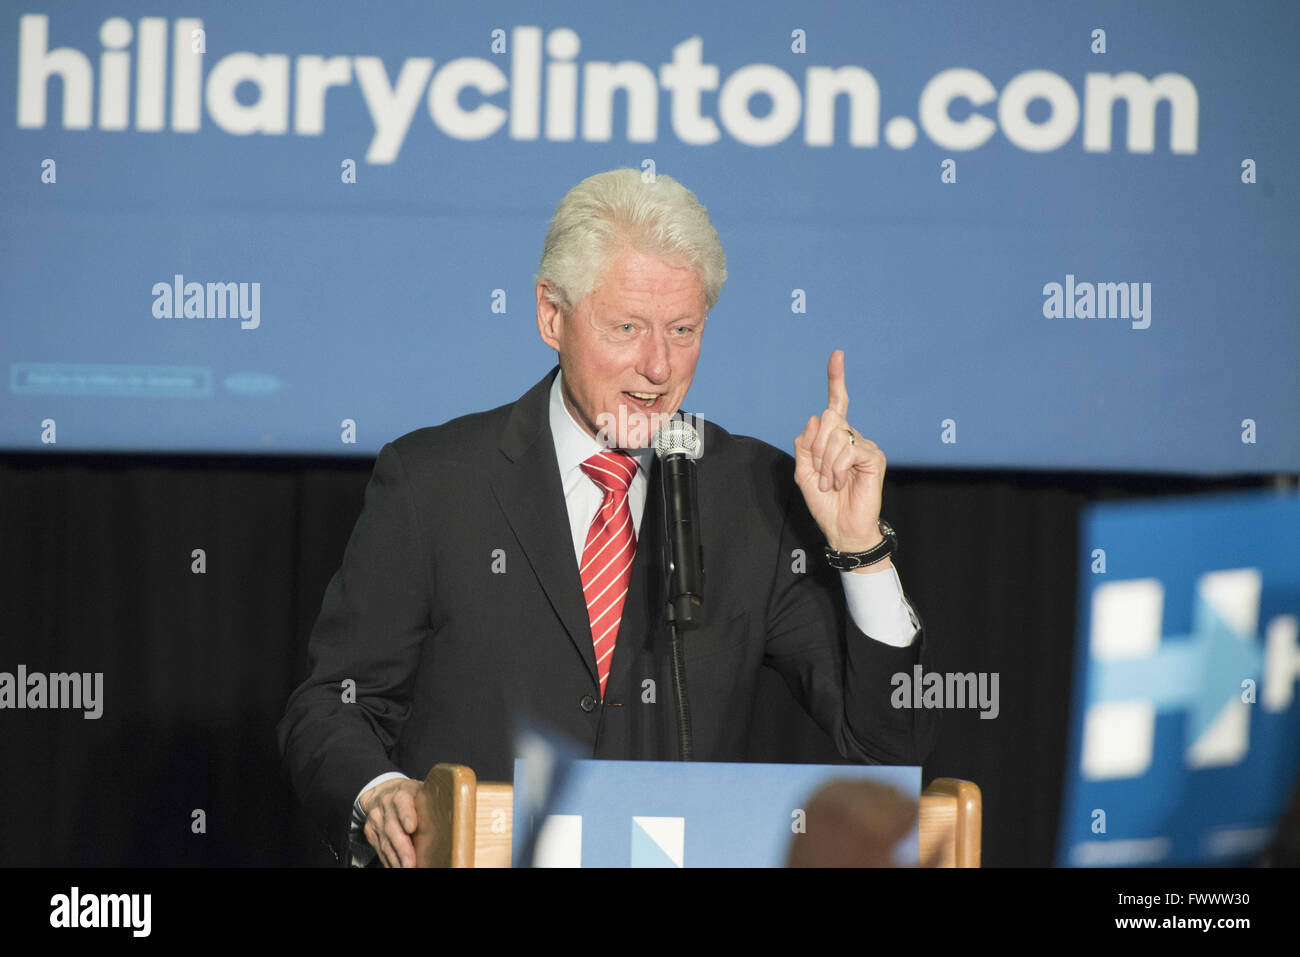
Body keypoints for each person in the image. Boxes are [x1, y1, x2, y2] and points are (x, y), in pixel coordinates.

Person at [277, 168, 938, 868]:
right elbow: (331, 706)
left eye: (683, 330)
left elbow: (885, 748)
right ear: (551, 315)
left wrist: (862, 551)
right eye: (627, 326)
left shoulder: (755, 492)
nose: (657, 366)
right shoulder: (433, 482)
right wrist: (379, 792)